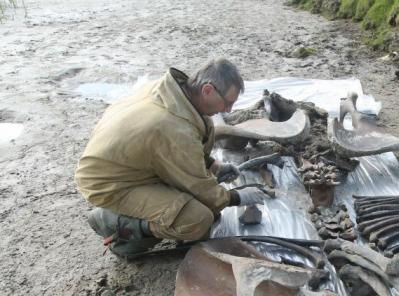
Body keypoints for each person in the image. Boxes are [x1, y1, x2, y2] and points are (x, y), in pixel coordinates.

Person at [75, 58, 266, 257]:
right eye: (228, 103)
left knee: (195, 199)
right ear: (207, 90)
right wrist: (237, 197)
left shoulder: (170, 92)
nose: (228, 110)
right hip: (108, 183)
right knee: (199, 219)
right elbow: (201, 187)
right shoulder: (172, 126)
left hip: (130, 165)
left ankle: (140, 219)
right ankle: (114, 221)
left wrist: (214, 166)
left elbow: (174, 152)